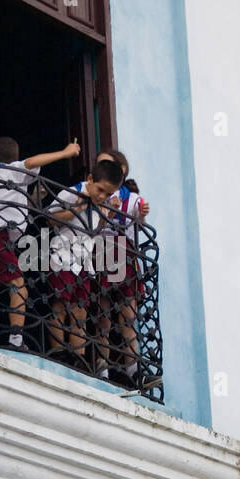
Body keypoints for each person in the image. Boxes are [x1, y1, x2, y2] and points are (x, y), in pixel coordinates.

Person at [0, 136, 80, 349]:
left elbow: (14, 209)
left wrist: (33, 198)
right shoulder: (6, 171)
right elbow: (31, 163)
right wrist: (65, 153)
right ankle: (16, 340)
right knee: (19, 284)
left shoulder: (1, 179)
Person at [43, 159, 124, 369]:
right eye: (100, 190)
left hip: (84, 263)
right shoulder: (71, 192)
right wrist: (79, 206)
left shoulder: (101, 204)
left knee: (80, 311)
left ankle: (77, 357)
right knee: (60, 306)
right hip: (62, 256)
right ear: (90, 179)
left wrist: (108, 214)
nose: (102, 196)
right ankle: (59, 352)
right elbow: (50, 218)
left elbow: (96, 230)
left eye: (108, 194)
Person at [92, 150, 149, 385]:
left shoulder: (132, 199)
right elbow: (93, 226)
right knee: (103, 315)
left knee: (127, 314)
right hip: (103, 252)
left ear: (122, 171)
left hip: (124, 255)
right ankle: (102, 367)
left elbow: (139, 224)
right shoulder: (95, 196)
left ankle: (133, 368)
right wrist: (106, 210)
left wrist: (142, 215)